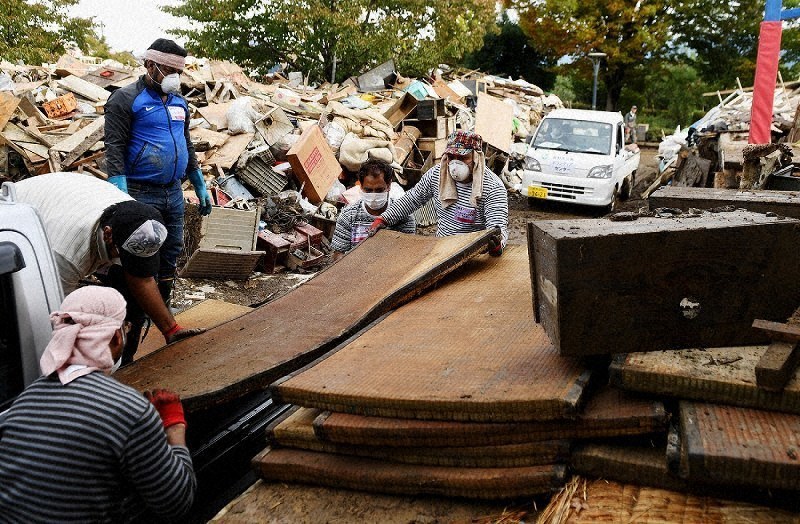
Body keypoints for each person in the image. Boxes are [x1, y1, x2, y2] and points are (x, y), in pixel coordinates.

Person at [0, 286, 196, 522]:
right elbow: (176, 504)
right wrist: (173, 426)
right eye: (125, 327)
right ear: (115, 337)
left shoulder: (26, 399)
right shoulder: (129, 409)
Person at [14, 172, 202, 364]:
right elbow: (52, 316)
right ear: (108, 235)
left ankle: (125, 362)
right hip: (14, 217)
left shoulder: (139, 221)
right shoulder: (66, 251)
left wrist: (171, 330)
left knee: (131, 295)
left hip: (71, 201)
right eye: (124, 255)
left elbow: (143, 280)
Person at [105, 37, 212, 312]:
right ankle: (134, 313)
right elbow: (114, 147)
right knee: (141, 255)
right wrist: (120, 196)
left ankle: (161, 309)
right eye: (168, 70)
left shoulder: (179, 102)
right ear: (149, 64)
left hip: (173, 191)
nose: (174, 77)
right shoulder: (126, 99)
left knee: (171, 251)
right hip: (141, 192)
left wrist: (199, 183)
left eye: (179, 72)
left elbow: (185, 142)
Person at [369, 130, 508, 256]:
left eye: (463, 158)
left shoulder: (492, 187)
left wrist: (495, 245)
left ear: (477, 157)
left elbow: (497, 227)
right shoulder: (437, 175)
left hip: (475, 255)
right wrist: (384, 218)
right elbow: (413, 198)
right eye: (452, 157)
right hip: (442, 250)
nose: (455, 163)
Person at [331, 159, 416, 260]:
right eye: (368, 190)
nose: (374, 195)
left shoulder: (404, 216)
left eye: (379, 190)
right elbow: (338, 255)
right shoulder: (348, 216)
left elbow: (408, 253)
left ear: (388, 186)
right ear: (361, 186)